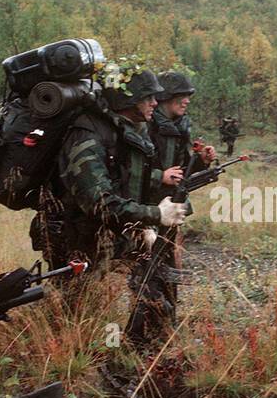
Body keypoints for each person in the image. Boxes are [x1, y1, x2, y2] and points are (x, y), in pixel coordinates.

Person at [49, 68, 187, 292]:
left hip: (112, 231)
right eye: (148, 97)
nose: (155, 102)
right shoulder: (88, 135)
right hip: (77, 236)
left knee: (156, 282)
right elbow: (100, 204)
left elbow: (128, 183)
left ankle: (151, 325)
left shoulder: (126, 131)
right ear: (129, 100)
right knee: (78, 306)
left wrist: (144, 225)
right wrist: (156, 214)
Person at [126, 71, 214, 343]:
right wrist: (158, 176)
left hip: (170, 208)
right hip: (144, 208)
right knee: (147, 268)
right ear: (165, 97)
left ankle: (164, 325)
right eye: (181, 95)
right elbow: (127, 169)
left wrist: (200, 161)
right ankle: (140, 333)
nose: (186, 100)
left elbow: (181, 169)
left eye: (188, 95)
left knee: (166, 265)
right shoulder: (146, 124)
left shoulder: (179, 127)